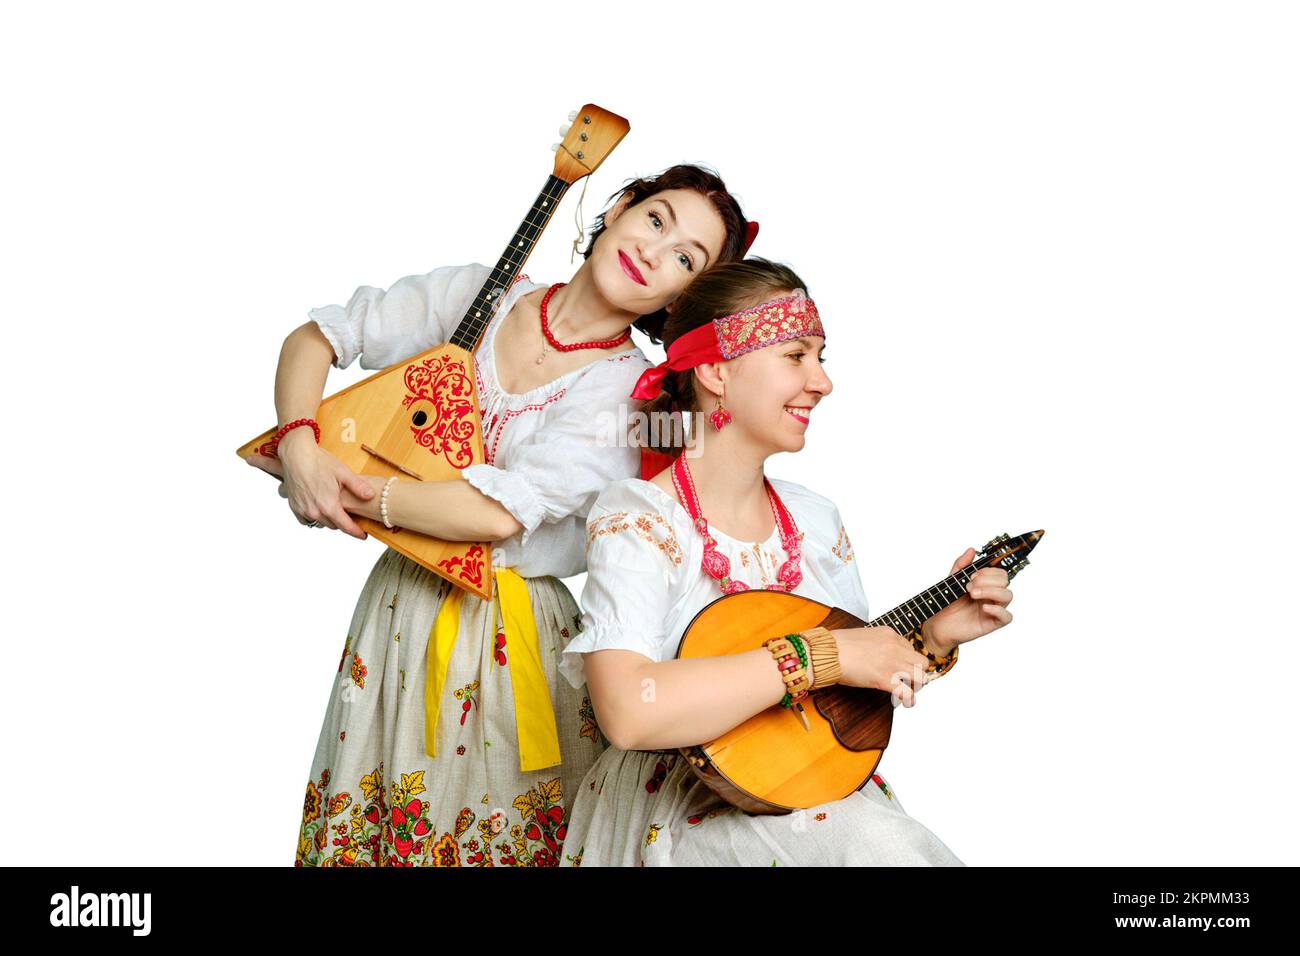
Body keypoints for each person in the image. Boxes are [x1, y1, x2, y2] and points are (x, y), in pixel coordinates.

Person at [245, 164, 756, 866]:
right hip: (397, 612)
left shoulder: (626, 397)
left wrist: (359, 496)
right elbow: (317, 339)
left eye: (685, 259)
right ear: (619, 210)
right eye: (657, 219)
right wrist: (300, 443)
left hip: (510, 634)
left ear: (679, 297)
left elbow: (492, 513)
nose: (655, 250)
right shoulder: (474, 297)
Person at [557, 258, 1015, 866]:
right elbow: (629, 712)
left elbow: (832, 701)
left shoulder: (815, 521)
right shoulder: (641, 518)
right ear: (717, 371)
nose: (822, 382)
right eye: (796, 357)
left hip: (804, 792)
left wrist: (929, 638)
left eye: (821, 358)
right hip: (687, 809)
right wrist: (824, 654)